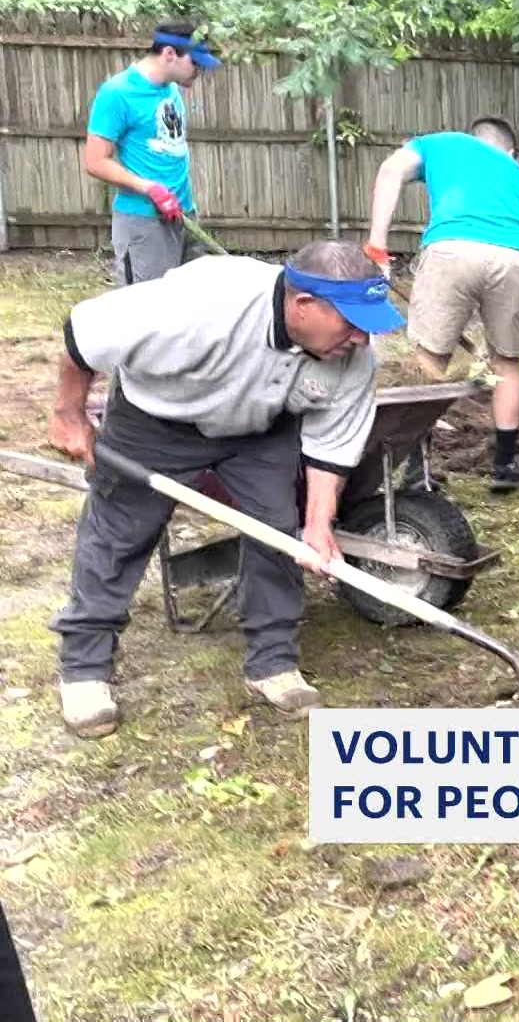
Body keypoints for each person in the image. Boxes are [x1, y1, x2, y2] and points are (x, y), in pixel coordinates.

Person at [45, 241, 402, 738]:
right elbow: (82, 334)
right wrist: (68, 413)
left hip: (258, 431)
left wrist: (318, 526)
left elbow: (331, 445)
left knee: (278, 532)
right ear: (303, 306)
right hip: (156, 420)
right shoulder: (203, 304)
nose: (362, 339)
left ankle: (273, 662)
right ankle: (84, 669)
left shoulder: (351, 358)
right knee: (120, 532)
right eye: (351, 323)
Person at [366, 116, 519, 493]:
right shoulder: (517, 174)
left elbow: (390, 170)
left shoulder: (437, 143)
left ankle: (418, 469)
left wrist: (377, 246)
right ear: (511, 152)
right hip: (513, 257)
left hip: (452, 250)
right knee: (507, 361)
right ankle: (505, 463)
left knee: (430, 359)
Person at [82, 18, 220, 286]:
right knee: (144, 313)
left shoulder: (170, 88)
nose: (199, 71)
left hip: (182, 213)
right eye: (196, 63)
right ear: (169, 54)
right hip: (144, 222)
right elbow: (95, 162)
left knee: (190, 306)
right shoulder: (117, 93)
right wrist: (150, 189)